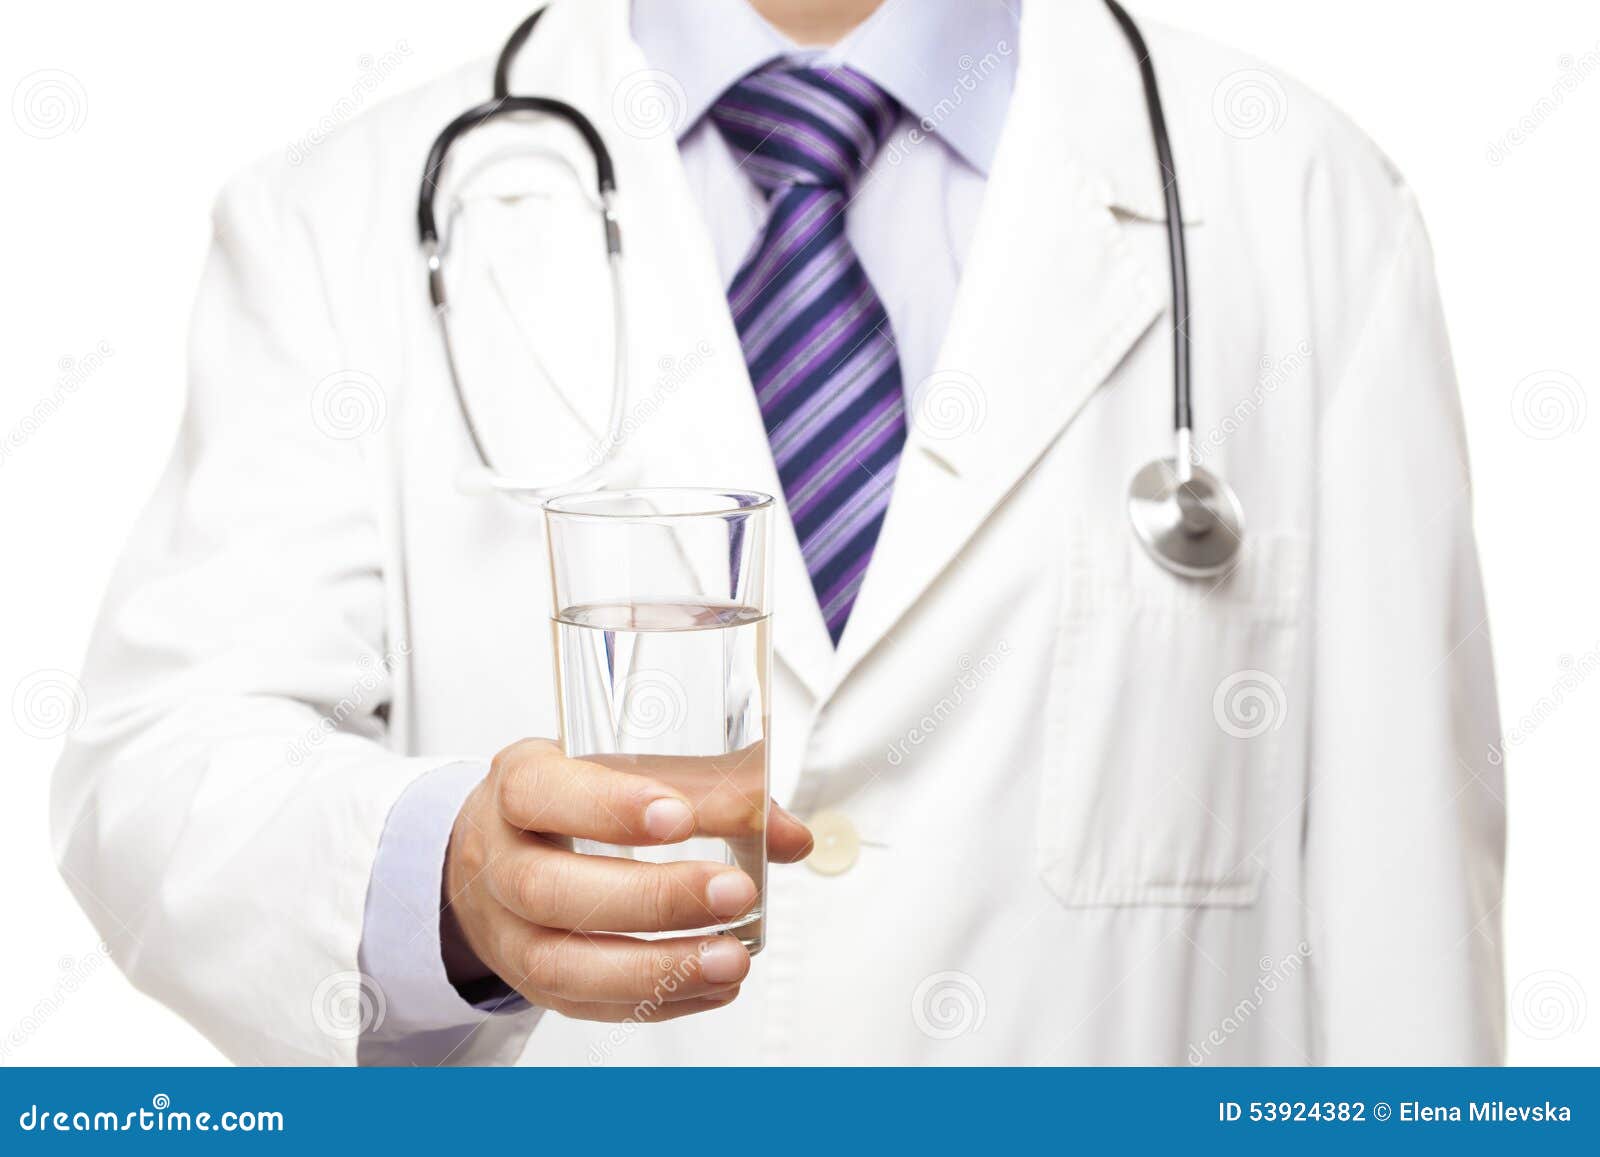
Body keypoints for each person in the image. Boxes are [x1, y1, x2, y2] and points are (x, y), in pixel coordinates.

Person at [53, 0, 1506, 1065]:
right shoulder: (349, 215)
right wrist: (448, 879)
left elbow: (1408, 945)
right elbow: (159, 775)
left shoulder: (1305, 208)